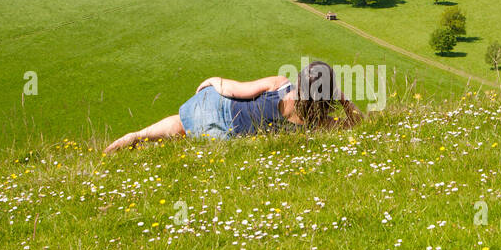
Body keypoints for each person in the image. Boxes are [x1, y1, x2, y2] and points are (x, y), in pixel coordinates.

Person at [103, 60, 362, 153]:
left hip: (220, 107)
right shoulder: (318, 126)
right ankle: (145, 137)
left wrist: (214, 81)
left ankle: (138, 135)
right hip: (226, 135)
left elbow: (236, 90)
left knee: (181, 122)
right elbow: (357, 122)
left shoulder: (280, 84)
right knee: (184, 133)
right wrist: (341, 98)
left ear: (300, 80)